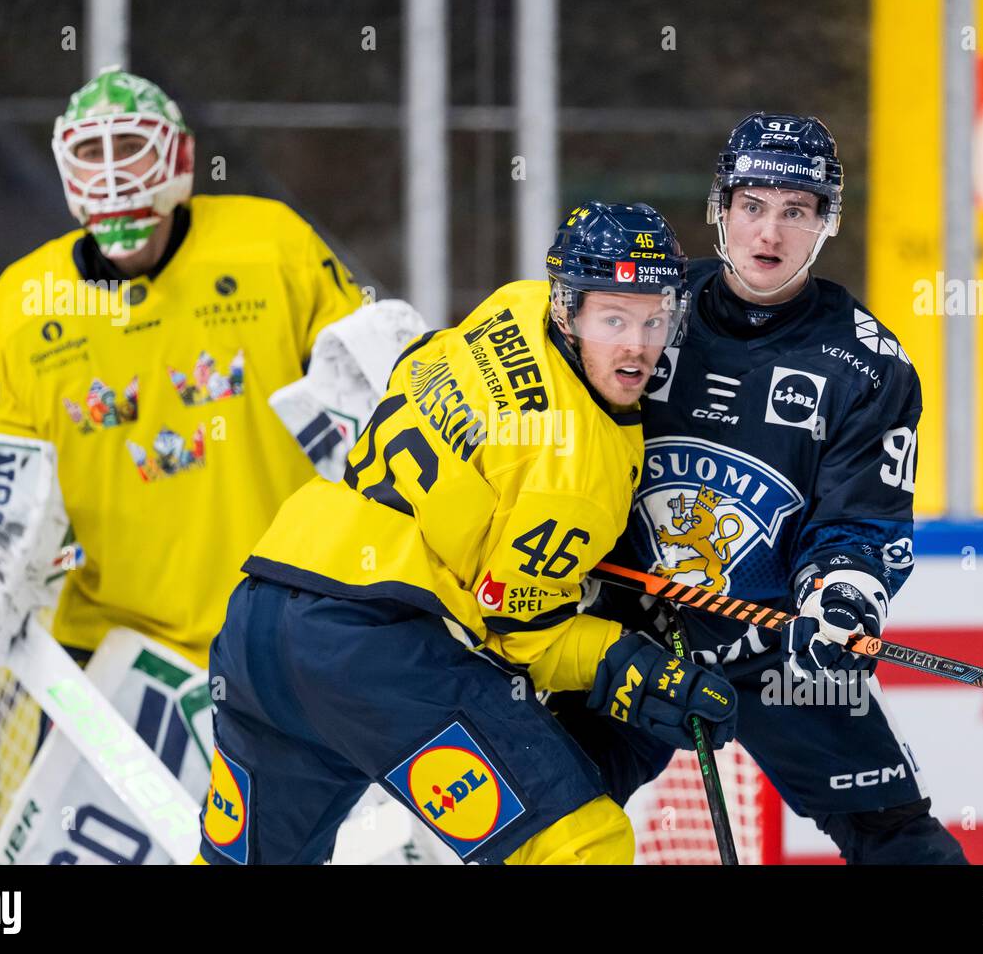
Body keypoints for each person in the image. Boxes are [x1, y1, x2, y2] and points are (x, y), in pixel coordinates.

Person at [197, 202, 737, 865]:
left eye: (655, 318)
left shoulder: (514, 305)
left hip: (260, 617)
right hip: (366, 649)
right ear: (569, 311)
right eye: (613, 318)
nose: (636, 345)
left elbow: (424, 364)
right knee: (583, 846)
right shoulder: (579, 476)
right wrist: (641, 672)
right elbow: (521, 637)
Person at [0, 67, 364, 863]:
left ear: (178, 155)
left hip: (279, 641)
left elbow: (370, 393)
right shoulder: (19, 303)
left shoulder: (270, 244)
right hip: (109, 657)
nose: (112, 173)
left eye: (131, 146)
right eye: (92, 152)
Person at [558, 113, 968, 864]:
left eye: (795, 211)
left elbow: (862, 523)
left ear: (825, 223)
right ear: (721, 210)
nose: (769, 234)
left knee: (895, 836)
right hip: (632, 633)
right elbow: (558, 431)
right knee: (547, 806)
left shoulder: (867, 367)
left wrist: (838, 601)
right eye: (752, 206)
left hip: (779, 646)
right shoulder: (650, 308)